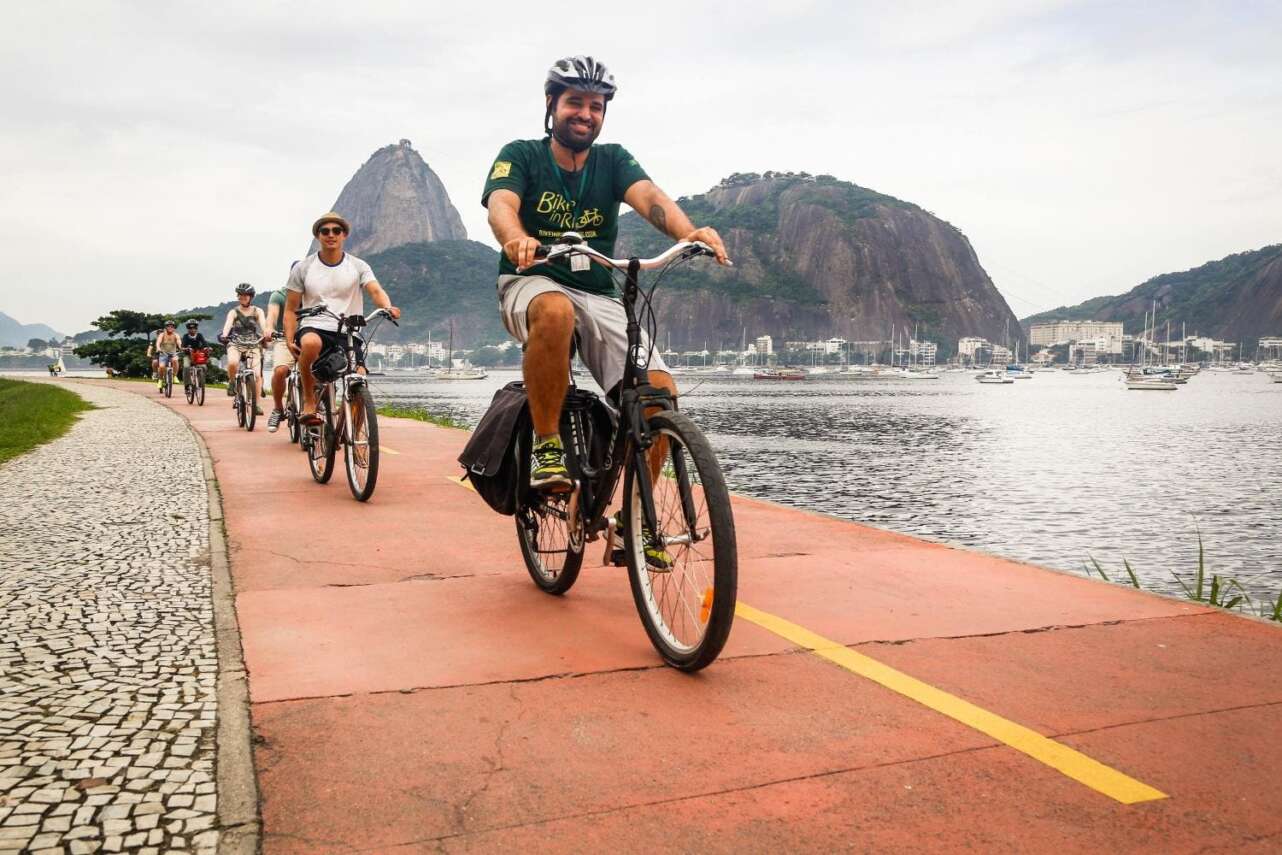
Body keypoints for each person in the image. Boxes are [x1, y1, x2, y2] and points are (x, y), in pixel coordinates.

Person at [482, 55, 728, 497]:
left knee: (658, 396)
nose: (585, 114)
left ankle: (635, 517)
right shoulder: (520, 155)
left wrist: (688, 232)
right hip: (530, 279)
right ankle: (547, 444)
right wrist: (515, 238)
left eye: (596, 106)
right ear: (551, 104)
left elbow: (649, 196)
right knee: (554, 311)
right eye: (575, 102)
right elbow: (502, 204)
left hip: (597, 289)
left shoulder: (613, 161)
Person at [283, 214, 400, 423]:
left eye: (336, 231)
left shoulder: (358, 266)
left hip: (348, 332)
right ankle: (309, 401)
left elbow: (374, 290)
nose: (331, 235)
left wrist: (387, 306)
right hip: (314, 325)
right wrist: (289, 339)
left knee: (359, 377)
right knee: (310, 344)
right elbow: (291, 309)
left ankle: (356, 440)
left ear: (344, 235)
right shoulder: (303, 268)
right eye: (325, 231)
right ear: (318, 236)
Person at [218, 283, 270, 414]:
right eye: (240, 295)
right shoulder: (233, 312)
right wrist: (224, 335)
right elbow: (228, 325)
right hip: (235, 343)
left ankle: (256, 404)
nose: (242, 297)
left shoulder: (257, 311)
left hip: (253, 344)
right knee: (232, 363)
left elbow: (264, 326)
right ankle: (231, 383)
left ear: (251, 297)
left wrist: (266, 335)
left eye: (245, 295)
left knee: (257, 375)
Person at [263, 273, 297, 433]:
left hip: (310, 337)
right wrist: (269, 328)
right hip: (284, 338)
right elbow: (272, 315)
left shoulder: (315, 293)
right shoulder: (280, 295)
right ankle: (278, 408)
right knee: (280, 371)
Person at [154, 320, 182, 391]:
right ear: (166, 327)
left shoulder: (176, 335)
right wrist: (158, 348)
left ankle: (175, 376)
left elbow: (179, 341)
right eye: (168, 326)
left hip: (173, 353)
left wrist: (180, 347)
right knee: (161, 367)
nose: (170, 328)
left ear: (174, 328)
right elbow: (158, 342)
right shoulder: (162, 334)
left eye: (172, 326)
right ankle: (160, 380)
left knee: (175, 360)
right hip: (163, 353)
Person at [180, 320, 209, 387]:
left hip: (197, 355)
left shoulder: (199, 335)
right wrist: (185, 349)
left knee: (204, 367)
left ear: (196, 328)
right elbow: (182, 346)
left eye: (194, 328)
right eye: (190, 328)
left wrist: (207, 348)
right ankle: (187, 385)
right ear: (188, 329)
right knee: (186, 367)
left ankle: (200, 382)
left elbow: (205, 343)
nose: (192, 330)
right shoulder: (185, 336)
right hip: (188, 355)